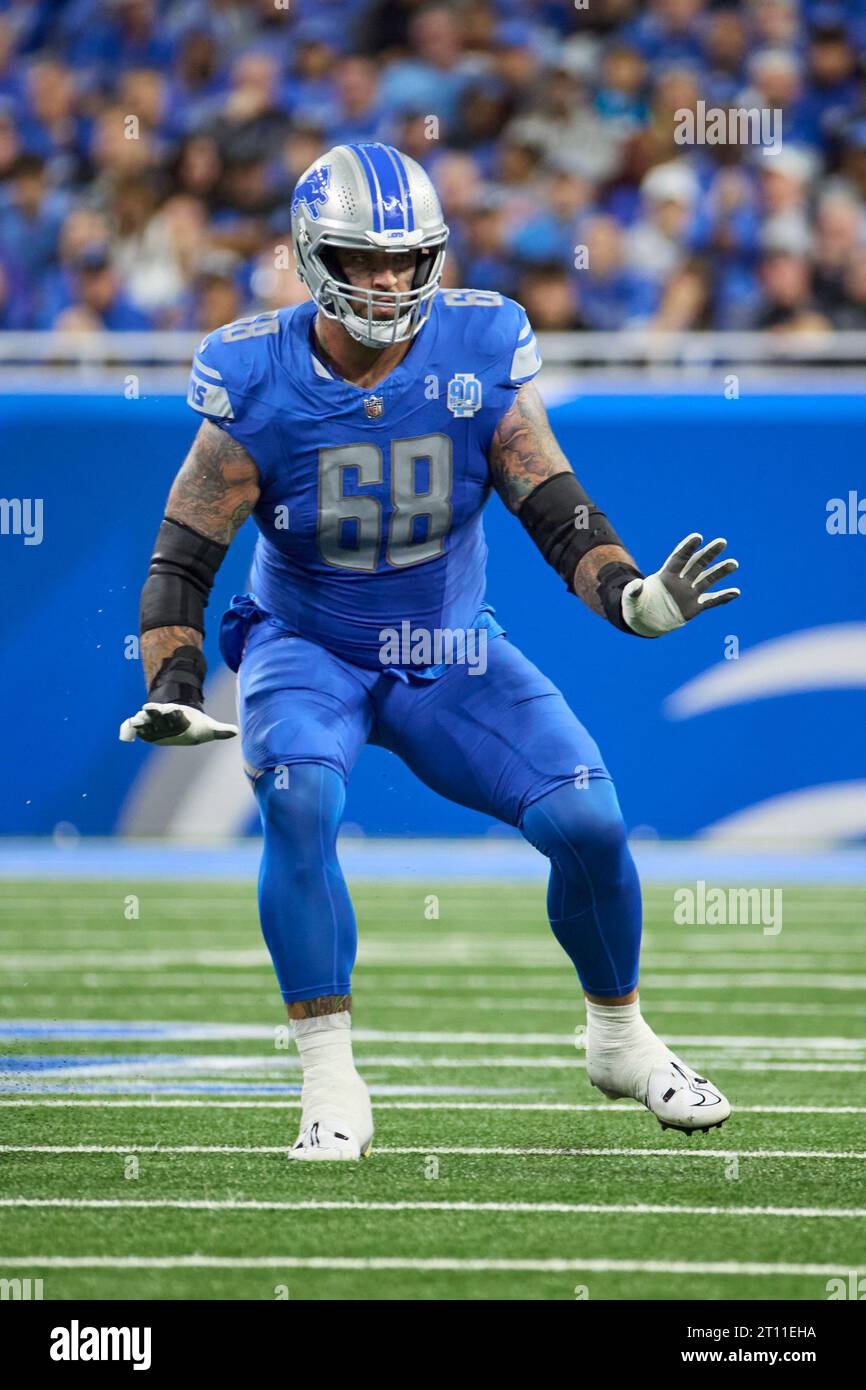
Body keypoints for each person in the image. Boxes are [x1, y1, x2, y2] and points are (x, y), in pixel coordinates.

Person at [120, 143, 739, 1159]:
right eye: (363, 260)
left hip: (445, 646)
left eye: (405, 259)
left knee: (589, 818)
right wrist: (175, 682)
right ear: (312, 256)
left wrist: (633, 599)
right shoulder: (255, 374)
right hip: (305, 643)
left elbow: (554, 506)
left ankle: (619, 1039)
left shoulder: (478, 345)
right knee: (299, 796)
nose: (387, 281)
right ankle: (330, 1079)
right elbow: (182, 554)